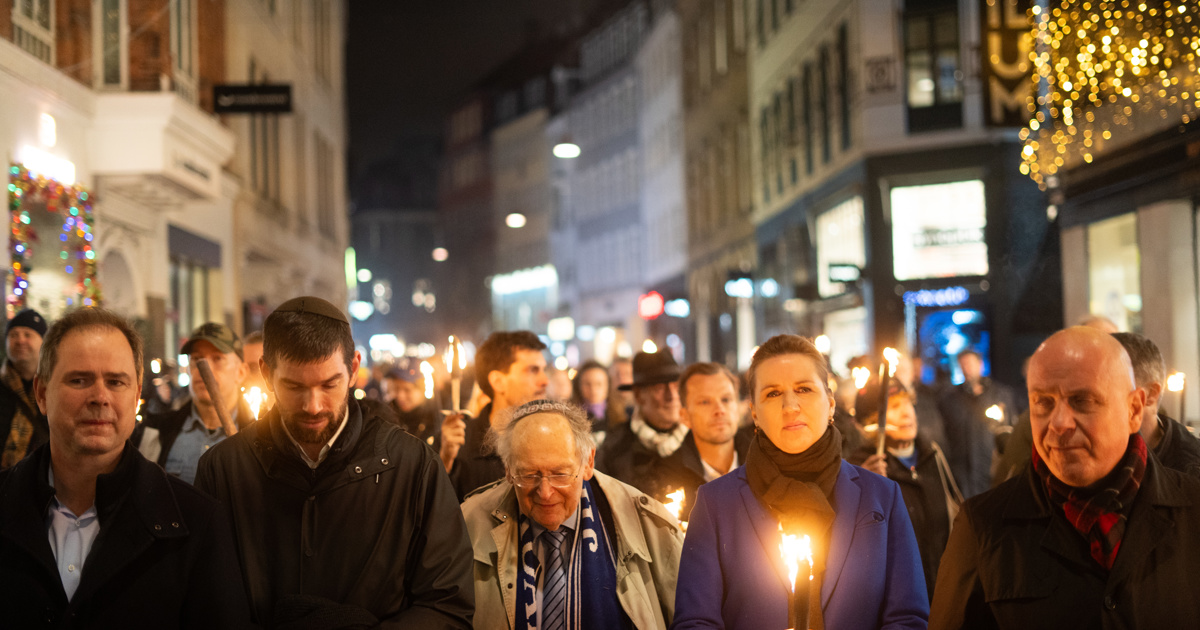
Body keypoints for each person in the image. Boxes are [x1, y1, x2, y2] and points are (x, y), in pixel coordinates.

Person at [194, 296, 473, 628]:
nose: (313, 406)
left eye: (329, 384)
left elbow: (448, 606)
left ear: (353, 369)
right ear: (267, 373)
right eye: (294, 386)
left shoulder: (413, 465)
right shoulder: (223, 469)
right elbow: (204, 604)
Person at [930, 327, 1200, 628]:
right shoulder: (982, 525)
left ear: (1134, 409)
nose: (1058, 423)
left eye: (1082, 401)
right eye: (1043, 403)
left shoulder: (1193, 508)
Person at [0, 307, 250, 628]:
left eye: (116, 382)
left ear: (136, 397)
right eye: (79, 380)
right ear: (42, 393)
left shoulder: (196, 524)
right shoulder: (8, 502)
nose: (100, 397)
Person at [672, 335, 929, 629]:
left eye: (804, 389)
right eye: (772, 393)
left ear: (830, 403)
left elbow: (907, 617)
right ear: (754, 413)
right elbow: (695, 621)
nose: (790, 406)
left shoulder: (881, 495)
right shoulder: (716, 503)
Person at [460, 399, 683, 630]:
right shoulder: (469, 524)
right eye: (528, 475)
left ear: (588, 462)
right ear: (508, 469)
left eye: (560, 474)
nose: (545, 492)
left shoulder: (650, 524)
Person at [850, 376, 962, 601]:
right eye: (893, 407)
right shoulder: (859, 470)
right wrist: (862, 491)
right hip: (900, 602)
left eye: (908, 402)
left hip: (946, 595)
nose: (906, 413)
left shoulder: (933, 455)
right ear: (872, 422)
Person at [132, 323, 254, 484]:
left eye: (218, 358)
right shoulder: (155, 432)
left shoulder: (258, 439)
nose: (204, 367)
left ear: (241, 372)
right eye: (196, 358)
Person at [439, 330, 549, 500]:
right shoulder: (459, 444)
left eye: (543, 369)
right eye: (532, 370)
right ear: (498, 381)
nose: (545, 381)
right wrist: (445, 462)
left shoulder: (552, 438)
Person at [659, 362, 752, 521]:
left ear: (738, 408)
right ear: (685, 416)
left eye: (726, 399)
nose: (719, 410)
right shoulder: (666, 479)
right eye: (705, 402)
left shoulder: (765, 464)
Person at [596, 350, 689, 499]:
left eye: (676, 387)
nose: (671, 396)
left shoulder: (698, 439)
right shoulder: (615, 448)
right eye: (660, 388)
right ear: (639, 395)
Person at [937, 349, 1020, 497]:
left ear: (980, 365)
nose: (966, 369)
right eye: (962, 365)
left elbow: (1010, 431)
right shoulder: (950, 399)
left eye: (969, 364)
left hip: (992, 472)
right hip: (962, 475)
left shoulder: (1000, 395)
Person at [0, 308, 48, 468]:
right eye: (13, 335)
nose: (20, 340)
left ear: (43, 343)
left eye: (27, 334)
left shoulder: (56, 388)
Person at [570, 358, 627, 443]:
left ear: (608, 386)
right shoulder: (571, 418)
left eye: (599, 384)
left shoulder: (620, 416)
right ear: (579, 386)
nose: (593, 390)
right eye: (587, 384)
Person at [382, 364, 438, 443]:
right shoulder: (386, 414)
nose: (400, 396)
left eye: (407, 390)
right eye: (397, 388)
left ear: (422, 389)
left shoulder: (435, 419)